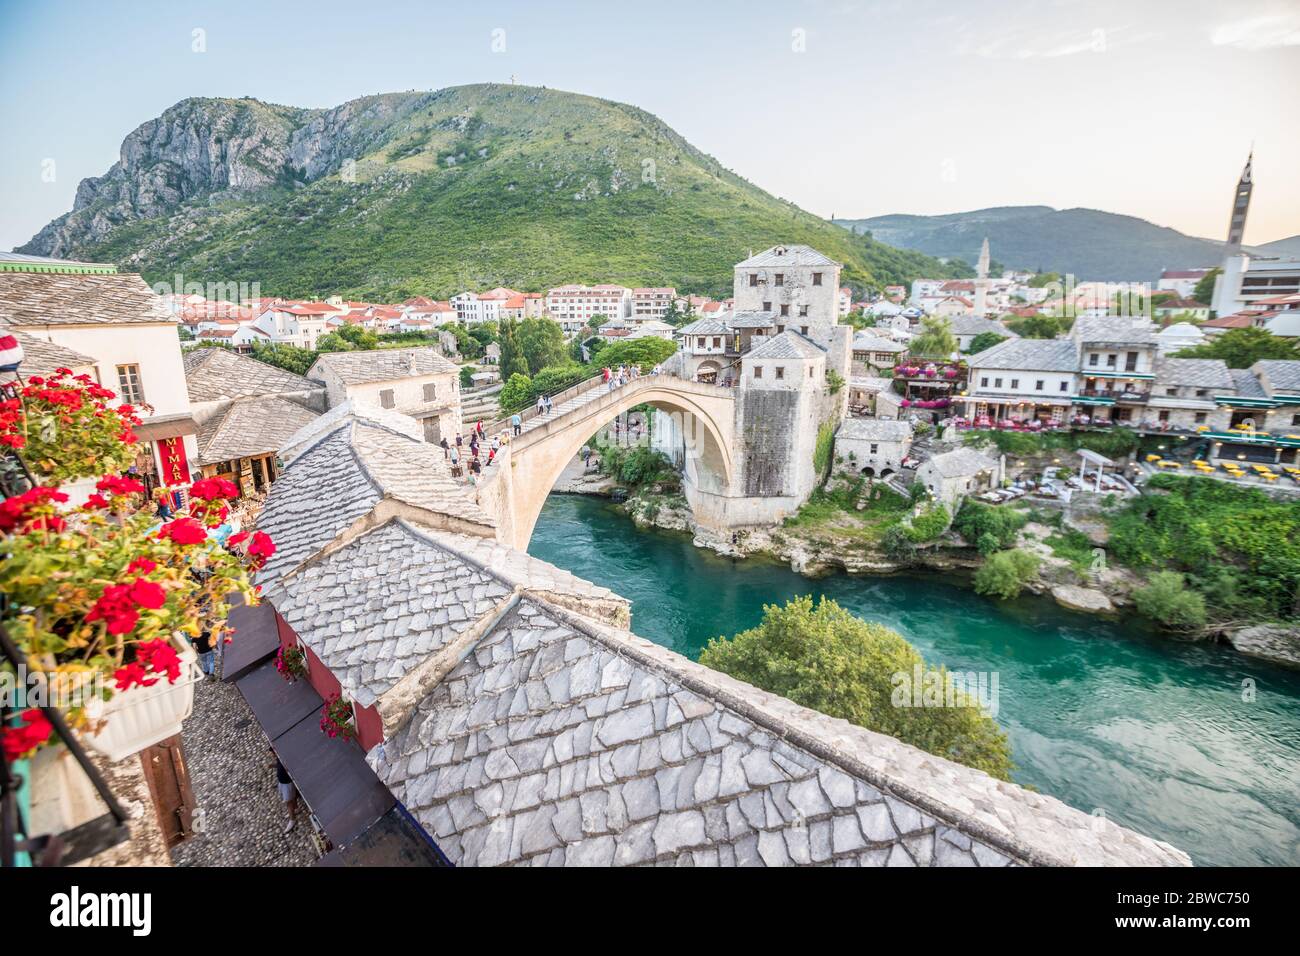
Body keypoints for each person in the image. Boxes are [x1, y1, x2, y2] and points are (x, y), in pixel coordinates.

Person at [271, 751, 298, 834]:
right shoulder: (279, 756)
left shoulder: (283, 757)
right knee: (292, 798)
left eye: (272, 753)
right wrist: (273, 765)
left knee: (288, 802)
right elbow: (279, 765)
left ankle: (292, 819)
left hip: (286, 783)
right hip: (283, 782)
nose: (272, 755)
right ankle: (295, 809)